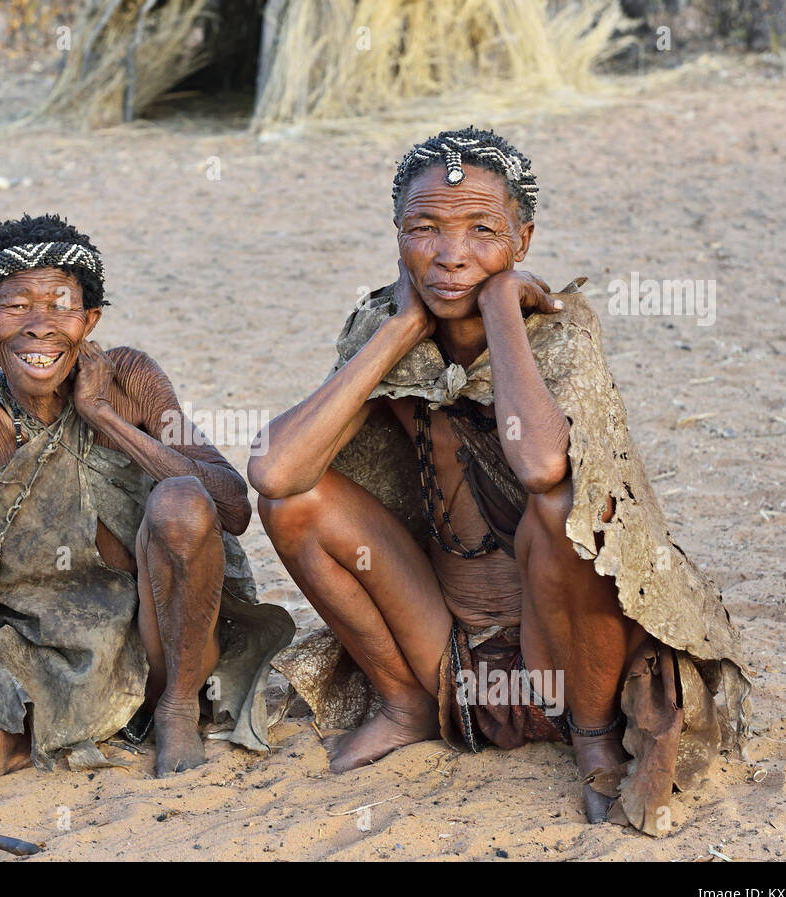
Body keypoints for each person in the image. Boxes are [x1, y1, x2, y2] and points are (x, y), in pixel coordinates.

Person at [252, 129, 750, 832]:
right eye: (424, 229)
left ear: (523, 240)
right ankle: (406, 704)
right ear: (398, 237)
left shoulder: (556, 331)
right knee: (294, 503)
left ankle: (592, 733)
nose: (451, 255)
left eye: (482, 231)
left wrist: (498, 313)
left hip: (568, 643)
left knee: (559, 505)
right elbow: (276, 471)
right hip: (444, 638)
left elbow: (544, 465)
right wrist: (398, 333)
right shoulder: (380, 323)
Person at [0, 213, 292, 801]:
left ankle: (176, 712)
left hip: (169, 646)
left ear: (89, 320)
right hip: (51, 657)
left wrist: (104, 416)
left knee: (181, 500)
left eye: (61, 305)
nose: (40, 326)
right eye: (16, 306)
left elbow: (230, 507)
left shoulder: (130, 380)